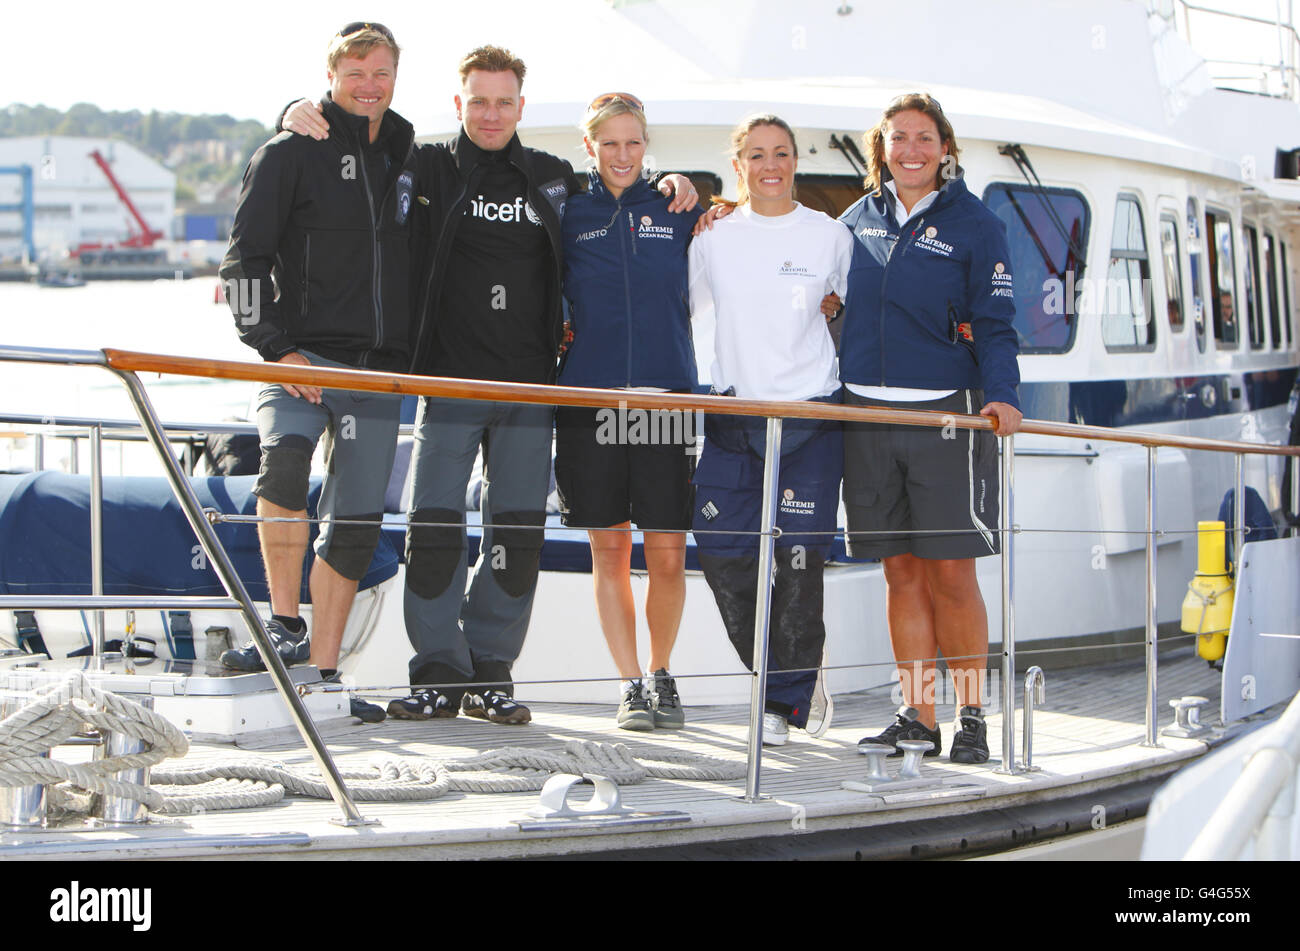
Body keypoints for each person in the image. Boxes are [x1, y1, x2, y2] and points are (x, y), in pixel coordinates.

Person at [280, 46, 697, 725]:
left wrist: (680, 185)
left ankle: (492, 671)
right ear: (458, 103)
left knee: (517, 532)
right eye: (479, 100)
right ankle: (439, 671)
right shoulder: (428, 163)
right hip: (446, 382)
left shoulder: (553, 179)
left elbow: (621, 197)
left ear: (522, 107)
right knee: (434, 529)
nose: (492, 112)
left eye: (505, 101)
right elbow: (355, 142)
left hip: (533, 390)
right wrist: (295, 113)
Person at [217, 22, 419, 725]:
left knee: (357, 520)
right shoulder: (288, 150)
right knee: (282, 466)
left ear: (397, 75)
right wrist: (275, 349)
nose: (370, 84)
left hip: (377, 372)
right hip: (297, 358)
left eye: (382, 71)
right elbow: (240, 268)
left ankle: (325, 673)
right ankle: (282, 621)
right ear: (332, 74)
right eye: (356, 70)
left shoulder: (405, 152)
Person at [836, 93, 1022, 764]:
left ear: (945, 146)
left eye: (923, 137)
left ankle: (971, 716)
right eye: (897, 138)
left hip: (948, 414)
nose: (909, 149)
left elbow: (997, 323)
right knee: (900, 572)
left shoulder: (976, 225)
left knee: (951, 572)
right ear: (880, 147)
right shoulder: (856, 220)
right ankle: (918, 716)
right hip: (865, 415)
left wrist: (1001, 395)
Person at [689, 114, 851, 746]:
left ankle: (783, 705)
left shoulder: (829, 237)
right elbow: (686, 313)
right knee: (724, 551)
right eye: (756, 155)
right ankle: (790, 673)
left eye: (780, 153)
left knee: (800, 559)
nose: (770, 165)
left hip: (812, 417)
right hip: (734, 418)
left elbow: (854, 309)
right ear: (740, 165)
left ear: (794, 161)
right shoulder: (712, 240)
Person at [555, 93, 702, 731]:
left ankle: (663, 672)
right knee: (609, 553)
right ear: (589, 146)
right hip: (589, 401)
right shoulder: (566, 212)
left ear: (647, 146)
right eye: (609, 143)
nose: (622, 155)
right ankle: (630, 683)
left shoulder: (679, 211)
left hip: (664, 398)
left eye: (633, 143)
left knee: (667, 553)